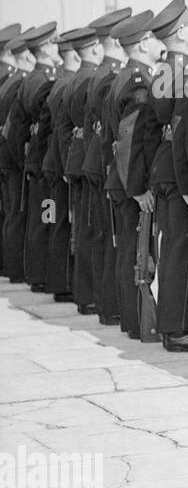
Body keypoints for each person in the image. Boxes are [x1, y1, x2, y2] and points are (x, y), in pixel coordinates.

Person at [104, 11, 165, 340]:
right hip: (132, 182)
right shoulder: (139, 82)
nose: (159, 42)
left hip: (121, 179)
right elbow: (129, 141)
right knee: (135, 253)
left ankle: (132, 321)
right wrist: (138, 188)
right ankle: (138, 323)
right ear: (143, 43)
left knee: (130, 251)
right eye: (154, 37)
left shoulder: (123, 77)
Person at [156, 0, 188, 352]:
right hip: (176, 173)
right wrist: (187, 187)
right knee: (177, 249)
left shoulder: (168, 69)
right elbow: (178, 131)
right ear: (180, 32)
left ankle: (176, 323)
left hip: (166, 170)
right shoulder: (182, 73)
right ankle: (174, 327)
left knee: (175, 247)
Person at [82, 8, 131, 326]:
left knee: (105, 239)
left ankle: (106, 304)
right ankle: (110, 306)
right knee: (112, 241)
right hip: (108, 165)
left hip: (99, 163)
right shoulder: (111, 76)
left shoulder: (102, 74)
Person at [14, 22, 60, 293]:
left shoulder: (29, 80)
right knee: (46, 219)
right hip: (44, 162)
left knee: (39, 219)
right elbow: (43, 126)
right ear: (44, 49)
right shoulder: (44, 82)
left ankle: (36, 273)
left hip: (34, 160)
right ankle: (42, 276)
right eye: (53, 43)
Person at [64, 25, 106, 314]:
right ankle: (89, 295)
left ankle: (84, 293)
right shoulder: (94, 77)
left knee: (83, 228)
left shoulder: (74, 79)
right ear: (94, 48)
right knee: (92, 230)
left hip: (78, 157)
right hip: (90, 158)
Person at [42, 30, 85, 302]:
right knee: (62, 224)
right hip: (61, 166)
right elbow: (62, 131)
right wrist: (69, 166)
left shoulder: (61, 82)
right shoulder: (69, 83)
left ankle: (59, 282)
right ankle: (61, 284)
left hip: (56, 163)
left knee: (58, 224)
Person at [0, 25, 25, 281]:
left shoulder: (8, 82)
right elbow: (15, 128)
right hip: (12, 157)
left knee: (9, 213)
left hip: (4, 155)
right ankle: (16, 269)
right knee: (17, 214)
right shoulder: (14, 82)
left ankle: (9, 265)